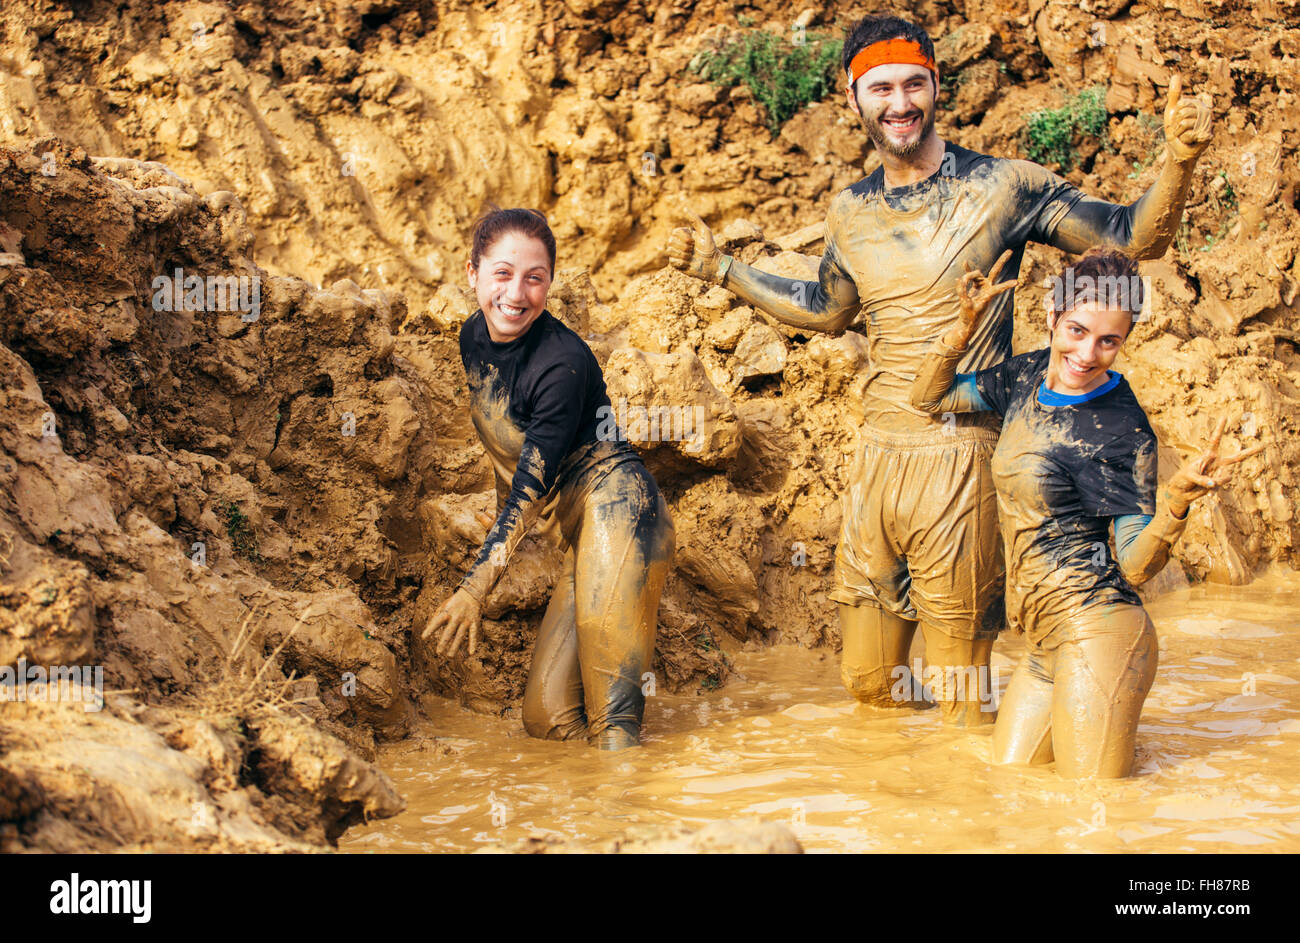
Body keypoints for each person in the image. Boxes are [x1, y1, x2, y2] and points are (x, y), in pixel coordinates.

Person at [667, 13, 1215, 725]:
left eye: (914, 84)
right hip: (877, 459)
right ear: (852, 95)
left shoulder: (1004, 186)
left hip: (960, 453)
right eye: (882, 87)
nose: (900, 103)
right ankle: (930, 791)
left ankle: (984, 790)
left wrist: (1179, 158)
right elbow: (829, 308)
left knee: (961, 695)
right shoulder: (849, 209)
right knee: (868, 679)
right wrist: (723, 269)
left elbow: (1131, 236)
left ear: (936, 86)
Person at [909, 247, 1262, 777]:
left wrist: (1177, 503)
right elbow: (927, 398)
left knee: (1092, 811)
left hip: (1099, 634)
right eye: (1077, 330)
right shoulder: (1025, 376)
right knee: (1007, 786)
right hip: (1042, 642)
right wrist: (961, 329)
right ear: (1052, 317)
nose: (1087, 353)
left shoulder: (1123, 430)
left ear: (1125, 341)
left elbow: (1135, 567)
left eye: (1108, 341)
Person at [423, 207, 675, 751]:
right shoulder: (473, 337)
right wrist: (498, 529)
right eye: (503, 273)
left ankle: (629, 826)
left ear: (550, 284)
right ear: (473, 272)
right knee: (548, 718)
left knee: (613, 726)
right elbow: (500, 443)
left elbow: (529, 493)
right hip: (581, 536)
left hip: (622, 514)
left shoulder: (561, 365)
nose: (516, 293)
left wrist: (476, 587)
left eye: (534, 278)